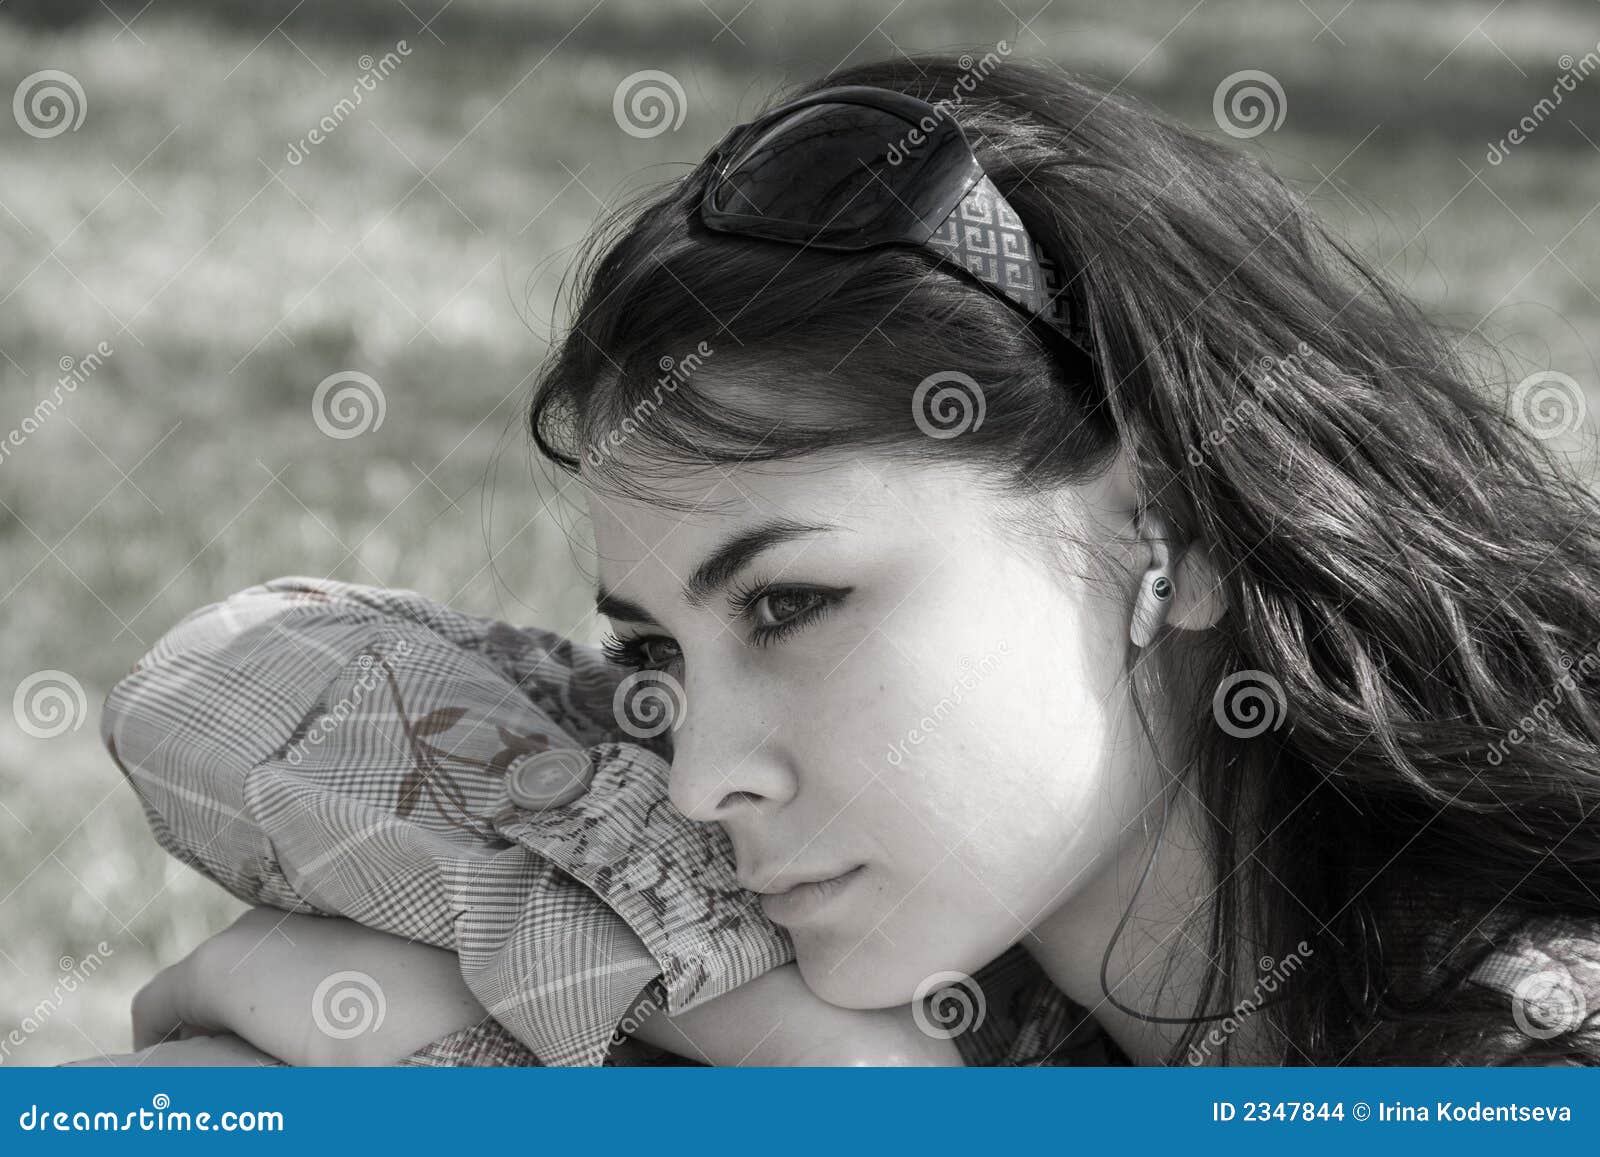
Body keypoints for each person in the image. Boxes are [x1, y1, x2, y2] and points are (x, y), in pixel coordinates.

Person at [98, 50, 1600, 1067]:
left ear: (1171, 532)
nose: (701, 777)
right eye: (655, 652)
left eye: (789, 604)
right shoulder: (960, 977)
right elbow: (235, 688)